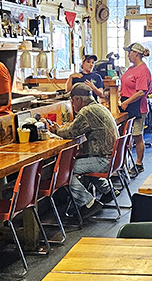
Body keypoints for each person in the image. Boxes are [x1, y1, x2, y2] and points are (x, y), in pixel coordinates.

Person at [50, 83, 118, 219]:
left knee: (66, 170)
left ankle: (88, 203)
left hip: (104, 159)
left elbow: (71, 132)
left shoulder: (87, 111)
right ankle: (107, 190)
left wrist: (55, 130)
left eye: (72, 101)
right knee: (80, 161)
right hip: (113, 158)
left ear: (78, 100)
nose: (72, 104)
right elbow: (77, 127)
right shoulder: (98, 107)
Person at [120, 42, 152, 173]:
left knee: (137, 136)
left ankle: (139, 163)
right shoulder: (131, 69)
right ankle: (124, 163)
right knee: (126, 135)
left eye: (130, 52)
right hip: (126, 104)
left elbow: (140, 92)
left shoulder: (143, 70)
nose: (128, 55)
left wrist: (126, 102)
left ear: (136, 54)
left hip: (136, 106)